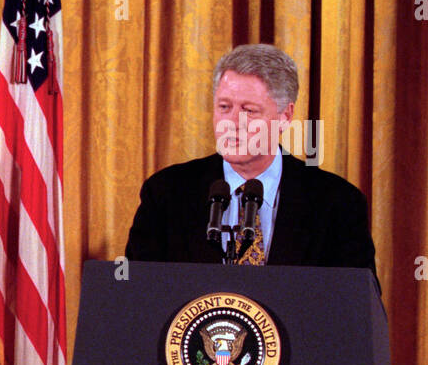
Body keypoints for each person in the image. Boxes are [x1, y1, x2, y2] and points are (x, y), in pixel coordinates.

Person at [123, 43, 378, 282]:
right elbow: (137, 294)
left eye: (249, 111)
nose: (232, 123)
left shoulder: (338, 203)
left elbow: (355, 305)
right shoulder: (166, 193)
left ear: (285, 116)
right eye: (225, 107)